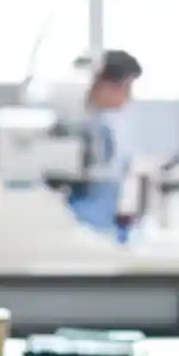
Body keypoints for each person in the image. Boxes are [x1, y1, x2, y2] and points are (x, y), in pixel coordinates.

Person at [63, 49, 145, 241]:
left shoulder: (107, 125)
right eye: (125, 88)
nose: (127, 96)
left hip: (104, 224)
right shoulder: (81, 127)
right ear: (103, 85)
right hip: (82, 225)